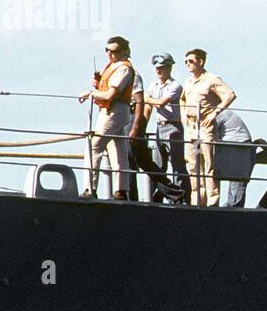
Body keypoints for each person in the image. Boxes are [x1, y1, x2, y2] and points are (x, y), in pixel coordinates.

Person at [78, 36, 135, 199]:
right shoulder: (113, 66)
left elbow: (111, 94)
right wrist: (97, 84)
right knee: (118, 149)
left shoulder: (124, 68)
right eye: (108, 51)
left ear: (124, 52)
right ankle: (121, 190)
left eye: (114, 51)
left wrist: (91, 93)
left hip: (114, 111)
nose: (110, 54)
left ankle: (90, 188)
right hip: (111, 110)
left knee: (94, 146)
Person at [179, 48, 236, 207]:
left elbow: (229, 95)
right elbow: (182, 99)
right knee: (194, 164)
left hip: (205, 126)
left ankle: (212, 202)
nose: (188, 65)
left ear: (200, 61)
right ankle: (197, 200)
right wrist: (183, 114)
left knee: (208, 164)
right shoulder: (188, 81)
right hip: (191, 127)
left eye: (191, 61)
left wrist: (214, 113)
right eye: (186, 62)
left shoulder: (211, 79)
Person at [145, 53, 188, 200]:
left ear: (169, 68)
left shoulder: (175, 86)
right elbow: (148, 107)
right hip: (159, 127)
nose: (158, 71)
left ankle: (182, 196)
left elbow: (161, 103)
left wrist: (145, 98)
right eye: (157, 68)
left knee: (177, 165)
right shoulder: (153, 86)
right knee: (158, 165)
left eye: (162, 67)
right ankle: (160, 196)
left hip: (173, 127)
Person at [213, 110, 254, 208]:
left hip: (239, 147)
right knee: (236, 186)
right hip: (239, 147)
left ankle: (232, 211)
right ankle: (230, 209)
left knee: (236, 185)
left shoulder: (218, 115)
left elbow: (208, 136)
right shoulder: (225, 114)